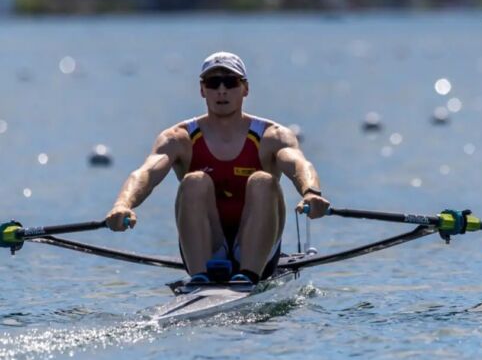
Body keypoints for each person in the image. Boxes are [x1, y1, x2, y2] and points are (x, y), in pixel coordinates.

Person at [106, 51, 329, 284]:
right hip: (206, 245)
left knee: (262, 180)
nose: (222, 90)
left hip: (261, 250)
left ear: (245, 88)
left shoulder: (272, 135)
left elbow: (299, 164)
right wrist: (122, 205)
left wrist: (310, 192)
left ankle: (249, 274)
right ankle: (201, 277)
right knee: (194, 181)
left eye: (230, 82)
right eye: (213, 83)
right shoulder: (178, 138)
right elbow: (146, 173)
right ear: (202, 90)